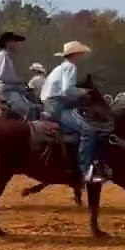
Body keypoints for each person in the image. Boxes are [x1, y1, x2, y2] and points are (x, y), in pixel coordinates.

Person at [41, 40, 104, 184]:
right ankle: (85, 169)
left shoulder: (59, 68)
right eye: (80, 53)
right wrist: (85, 92)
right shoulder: (71, 67)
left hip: (49, 104)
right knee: (88, 130)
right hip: (58, 106)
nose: (81, 55)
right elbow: (67, 90)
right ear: (75, 54)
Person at [0, 31, 34, 119]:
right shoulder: (3, 56)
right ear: (7, 43)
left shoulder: (4, 56)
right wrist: (19, 82)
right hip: (6, 90)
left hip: (7, 88)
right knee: (27, 110)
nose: (16, 44)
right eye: (13, 41)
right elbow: (3, 76)